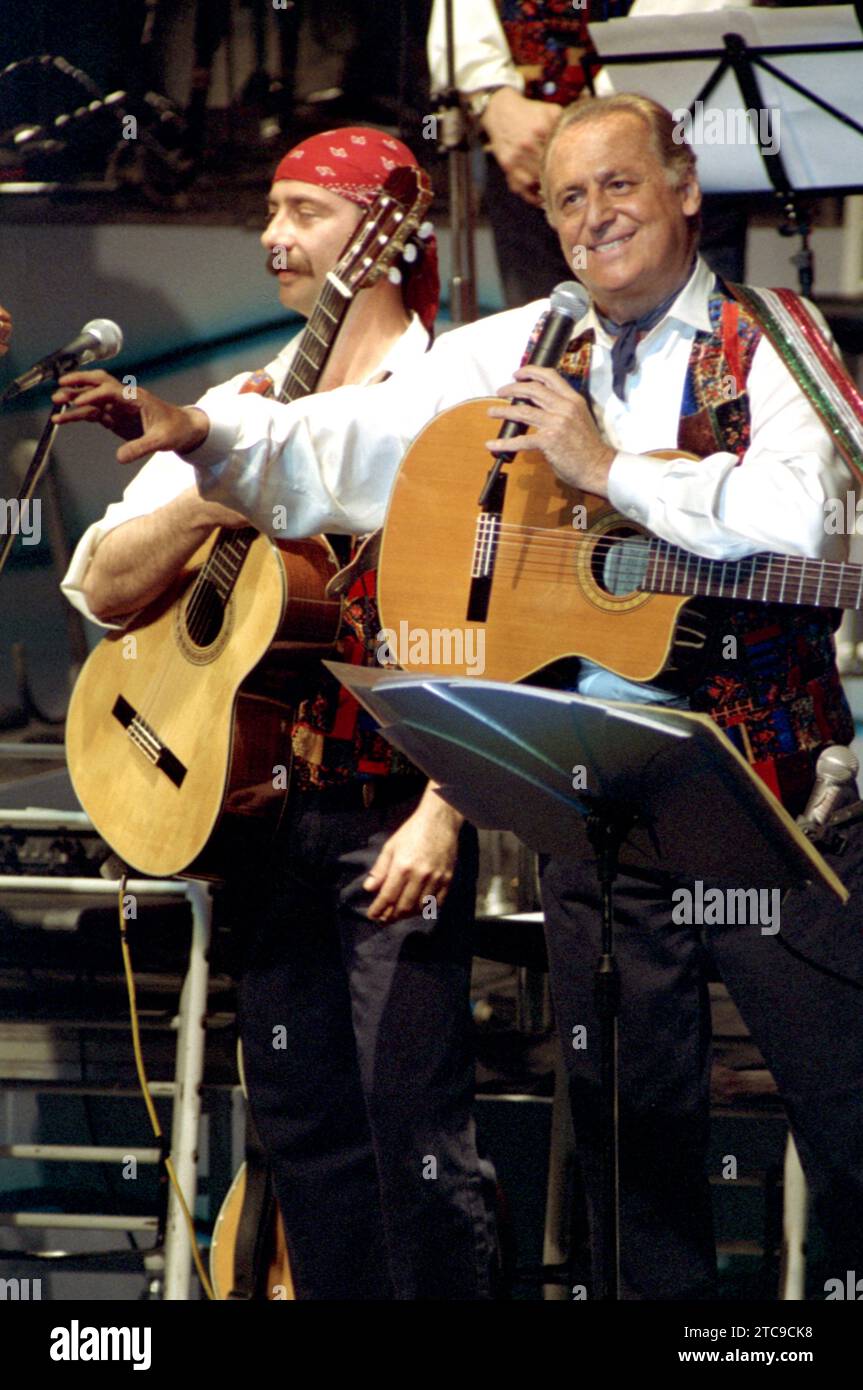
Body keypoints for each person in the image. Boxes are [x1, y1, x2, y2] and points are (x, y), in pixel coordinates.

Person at [54, 93, 863, 1300]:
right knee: (628, 1150)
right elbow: (370, 433)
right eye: (568, 196)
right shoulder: (531, 339)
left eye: (620, 186)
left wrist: (608, 471)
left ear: (686, 189)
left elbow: (812, 515)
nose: (593, 217)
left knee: (842, 1119)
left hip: (770, 794)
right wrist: (214, 441)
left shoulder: (770, 334)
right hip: (593, 803)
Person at [59, 127, 497, 1302]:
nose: (271, 237)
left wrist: (446, 812)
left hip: (390, 816)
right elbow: (100, 583)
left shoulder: (449, 402)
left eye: (303, 210)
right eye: (269, 209)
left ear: (381, 233)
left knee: (418, 1141)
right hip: (264, 822)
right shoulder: (242, 400)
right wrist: (221, 485)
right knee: (304, 1137)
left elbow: (501, 627)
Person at [427, 0, 749, 304]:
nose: (596, 217)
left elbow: (691, 17)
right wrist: (495, 100)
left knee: (698, 334)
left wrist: (600, 110)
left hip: (669, 136)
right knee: (548, 332)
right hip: (524, 153)